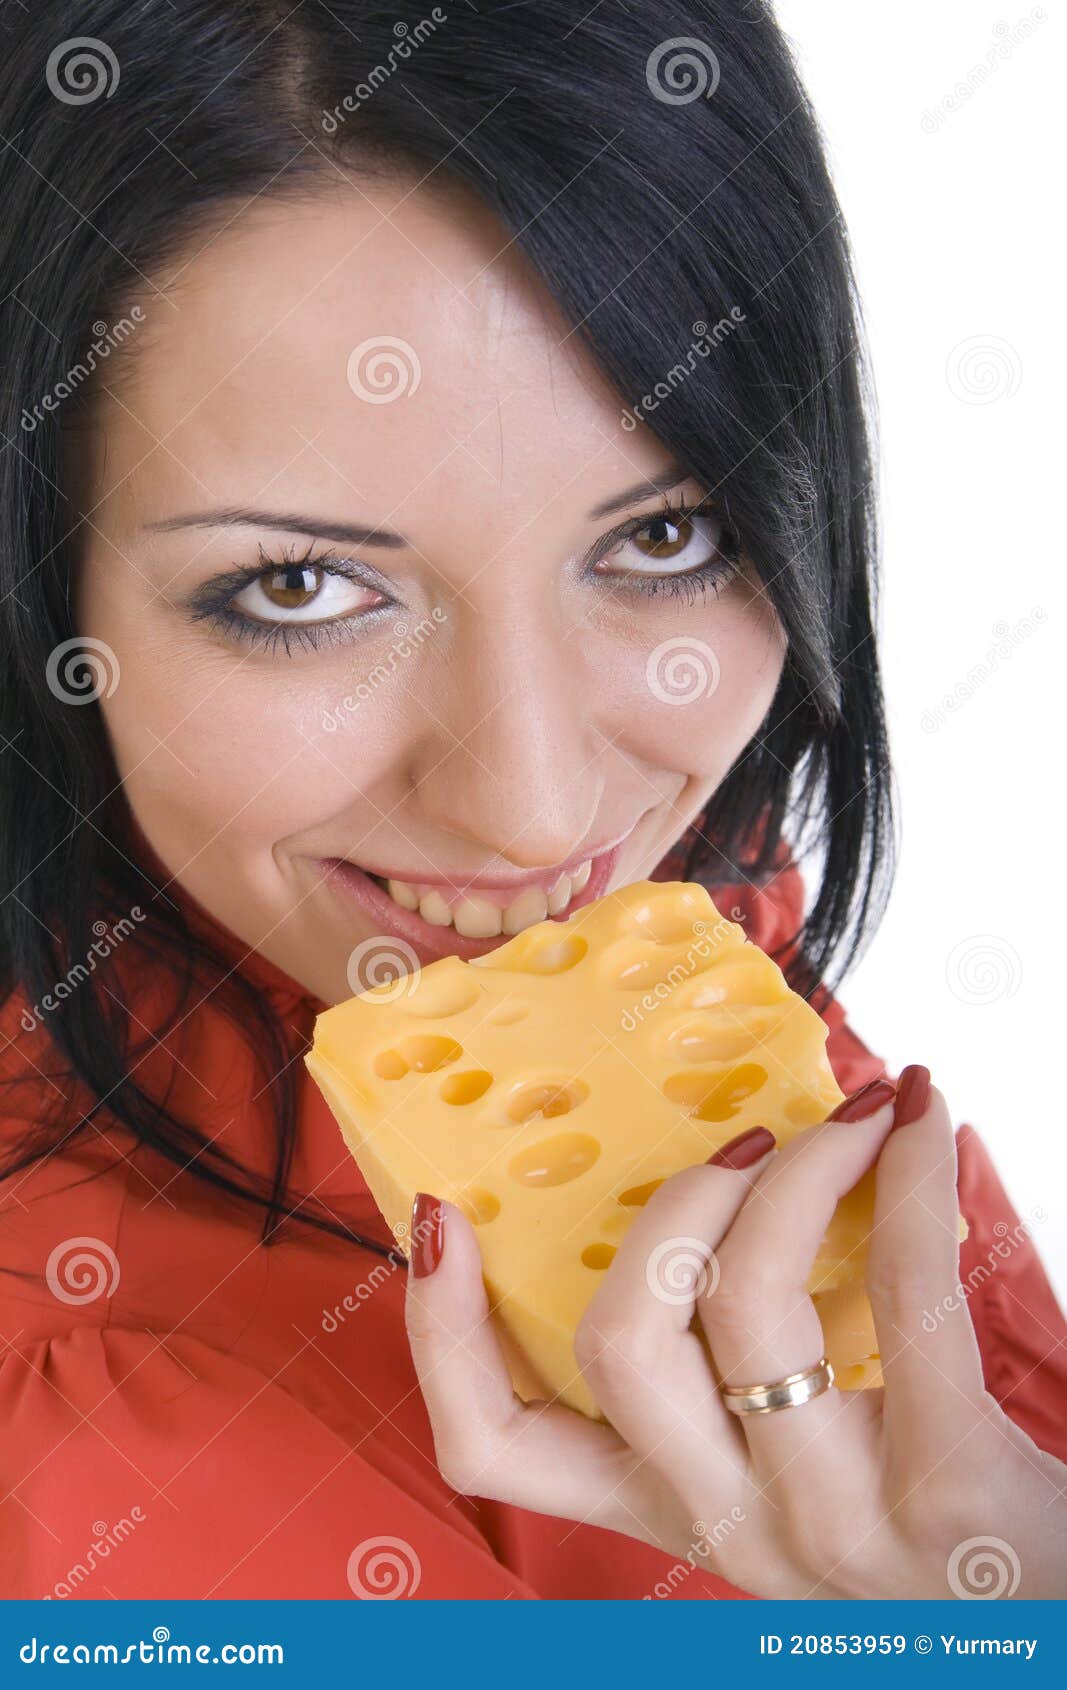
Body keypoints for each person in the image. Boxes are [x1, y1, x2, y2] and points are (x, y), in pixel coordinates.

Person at [1, 0, 1063, 1600]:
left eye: (663, 538)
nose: (534, 811)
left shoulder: (712, 967)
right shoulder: (103, 1463)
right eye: (299, 586)